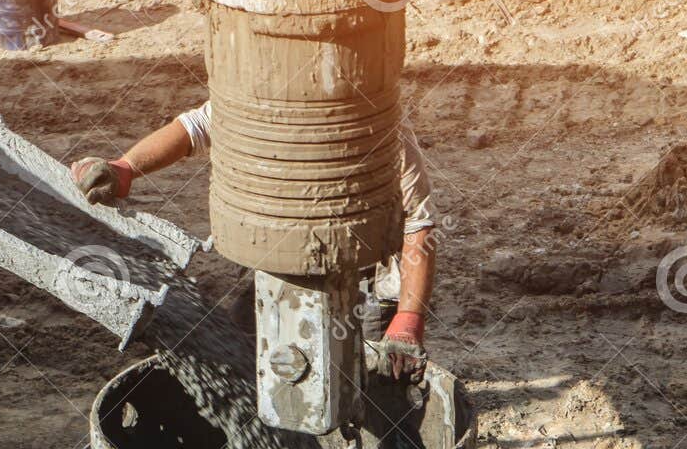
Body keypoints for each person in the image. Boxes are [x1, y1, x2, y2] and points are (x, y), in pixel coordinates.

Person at [69, 102, 436, 379]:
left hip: (365, 279)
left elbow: (418, 226)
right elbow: (195, 127)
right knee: (246, 364)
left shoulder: (382, 132)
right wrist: (126, 167)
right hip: (281, 265)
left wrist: (407, 320)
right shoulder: (266, 103)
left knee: (368, 379)